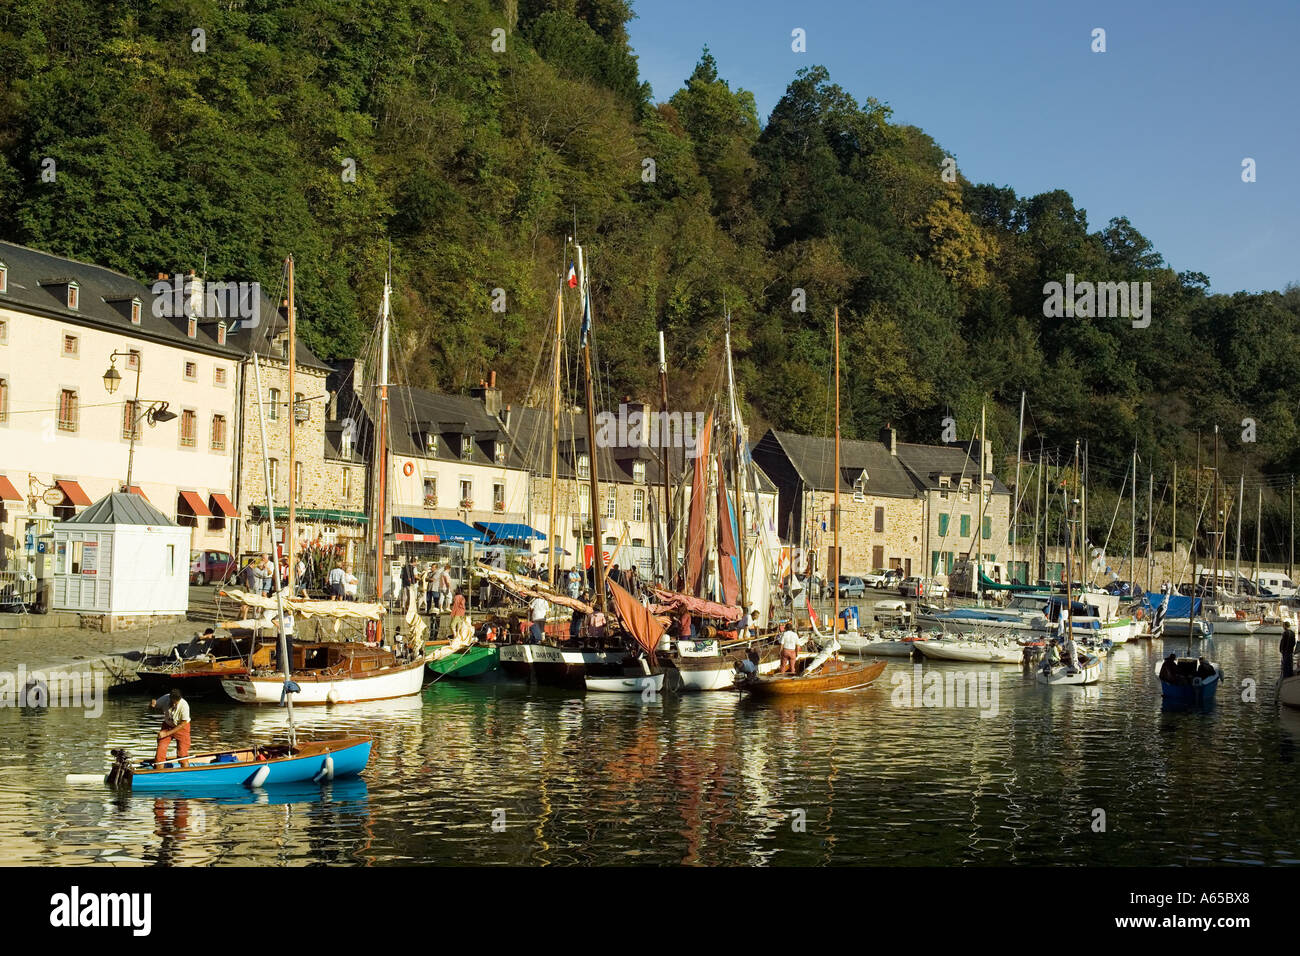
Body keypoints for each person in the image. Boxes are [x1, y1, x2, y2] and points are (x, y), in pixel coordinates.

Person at [152, 688, 191, 767]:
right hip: (167, 725)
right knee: (160, 753)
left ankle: (186, 772)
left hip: (182, 727)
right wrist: (152, 705)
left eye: (176, 703)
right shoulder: (165, 698)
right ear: (169, 698)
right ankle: (159, 774)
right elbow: (154, 706)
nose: (174, 705)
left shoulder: (184, 706)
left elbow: (183, 723)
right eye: (172, 702)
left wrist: (166, 733)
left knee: (182, 754)